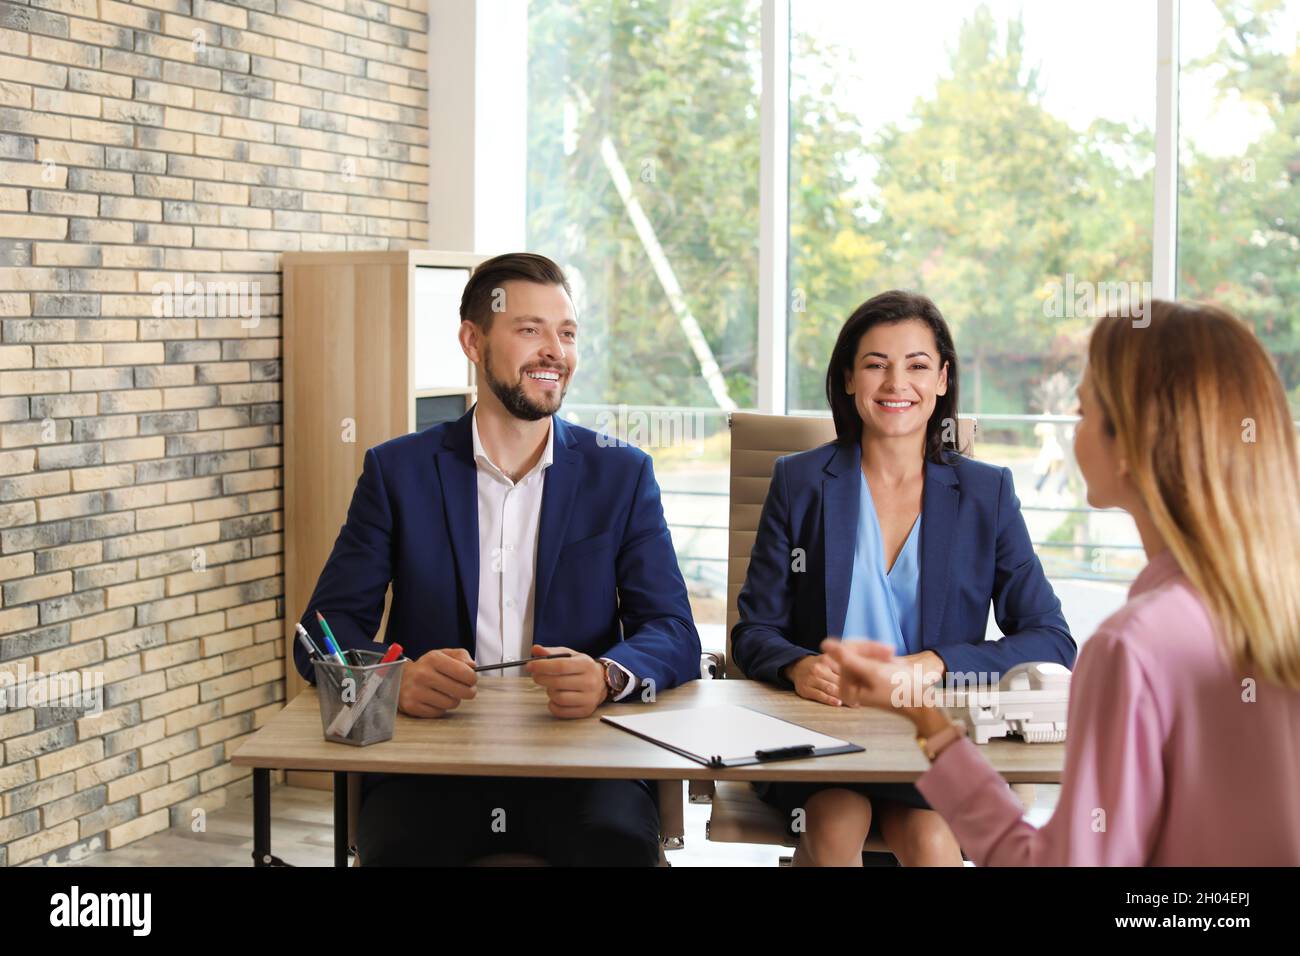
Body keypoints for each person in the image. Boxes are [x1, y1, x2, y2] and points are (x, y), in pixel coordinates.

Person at [826, 299, 1300, 865]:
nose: (1073, 434)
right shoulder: (1275, 608)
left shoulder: (1133, 649)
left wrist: (930, 721)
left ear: (1129, 445)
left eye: (1081, 411)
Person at [293, 252, 701, 866]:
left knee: (616, 851)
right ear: (472, 340)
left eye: (566, 333)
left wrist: (607, 675)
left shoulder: (621, 473)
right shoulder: (397, 471)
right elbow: (320, 638)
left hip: (579, 762)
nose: (554, 351)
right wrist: (393, 683)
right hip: (432, 764)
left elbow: (673, 631)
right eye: (530, 329)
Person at [732, 290, 1075, 866]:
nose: (897, 384)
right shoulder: (799, 482)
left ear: (942, 379)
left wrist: (938, 662)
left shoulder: (986, 494)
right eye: (876, 365)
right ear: (848, 379)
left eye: (916, 365)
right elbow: (753, 631)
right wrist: (797, 665)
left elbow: (1051, 640)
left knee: (930, 840)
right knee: (837, 820)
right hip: (823, 739)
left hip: (930, 738)